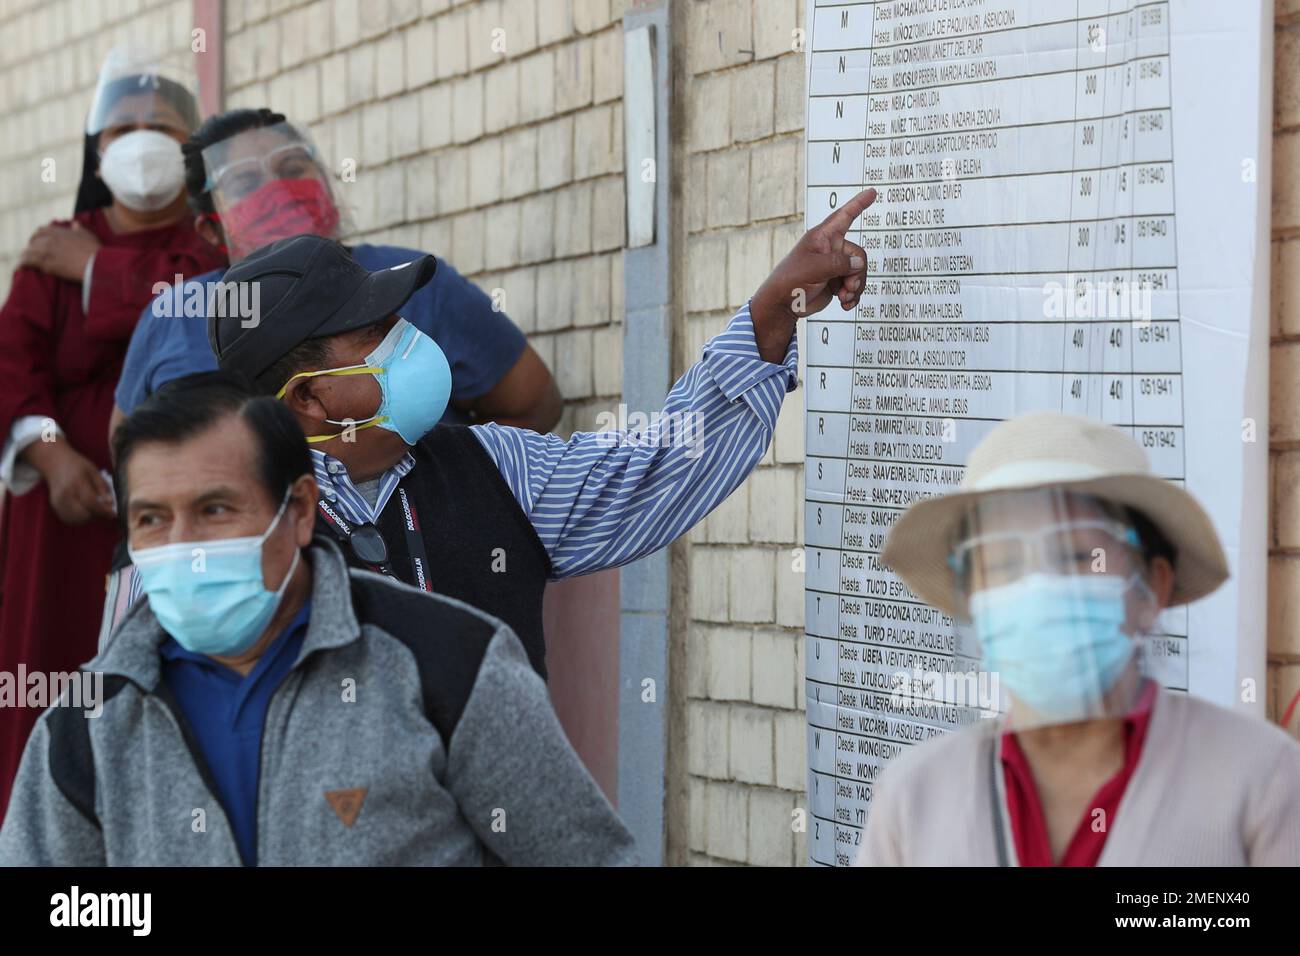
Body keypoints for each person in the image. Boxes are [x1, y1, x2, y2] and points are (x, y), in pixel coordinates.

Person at [198, 188, 878, 678]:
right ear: (309, 397)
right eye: (375, 335)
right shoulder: (219, 532)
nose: (408, 342)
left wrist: (769, 318)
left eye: (398, 323)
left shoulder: (495, 464)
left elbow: (657, 465)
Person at [0, 374, 636, 866]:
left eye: (215, 509)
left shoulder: (447, 667)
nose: (183, 544)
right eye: (151, 519)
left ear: (300, 510)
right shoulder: (90, 722)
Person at [854, 412, 1300, 866]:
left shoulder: (1262, 779)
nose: (1039, 586)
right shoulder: (912, 799)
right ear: (972, 598)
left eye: (1080, 555)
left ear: (1153, 587)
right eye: (1004, 562)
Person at [0, 47, 224, 819]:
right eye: (122, 125)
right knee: (51, 677)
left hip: (185, 506)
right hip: (64, 516)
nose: (139, 138)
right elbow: (11, 364)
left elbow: (200, 308)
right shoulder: (49, 248)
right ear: (97, 149)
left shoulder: (209, 247)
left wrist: (97, 273)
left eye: (159, 126)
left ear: (190, 149)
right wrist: (54, 458)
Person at [108, 108, 561, 434]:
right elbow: (128, 446)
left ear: (325, 183)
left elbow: (534, 404)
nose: (280, 190)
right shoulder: (175, 315)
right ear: (210, 229)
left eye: (292, 168)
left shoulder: (416, 282)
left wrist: (444, 494)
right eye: (245, 181)